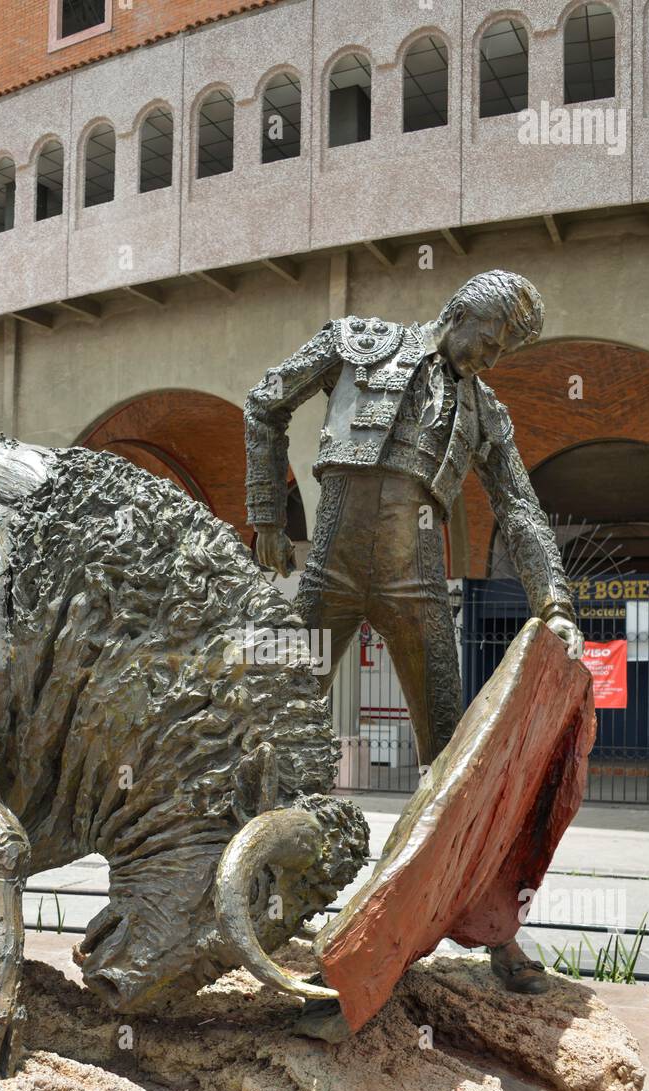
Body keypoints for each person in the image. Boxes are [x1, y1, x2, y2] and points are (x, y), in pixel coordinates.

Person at [244, 269, 584, 994]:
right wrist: (268, 514)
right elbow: (264, 402)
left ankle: (498, 933)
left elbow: (520, 509)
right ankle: (237, 903)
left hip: (418, 586)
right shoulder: (354, 341)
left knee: (453, 766)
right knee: (265, 735)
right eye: (486, 341)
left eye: (501, 353)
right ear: (457, 310)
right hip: (329, 575)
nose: (488, 359)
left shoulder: (486, 412)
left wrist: (553, 603)